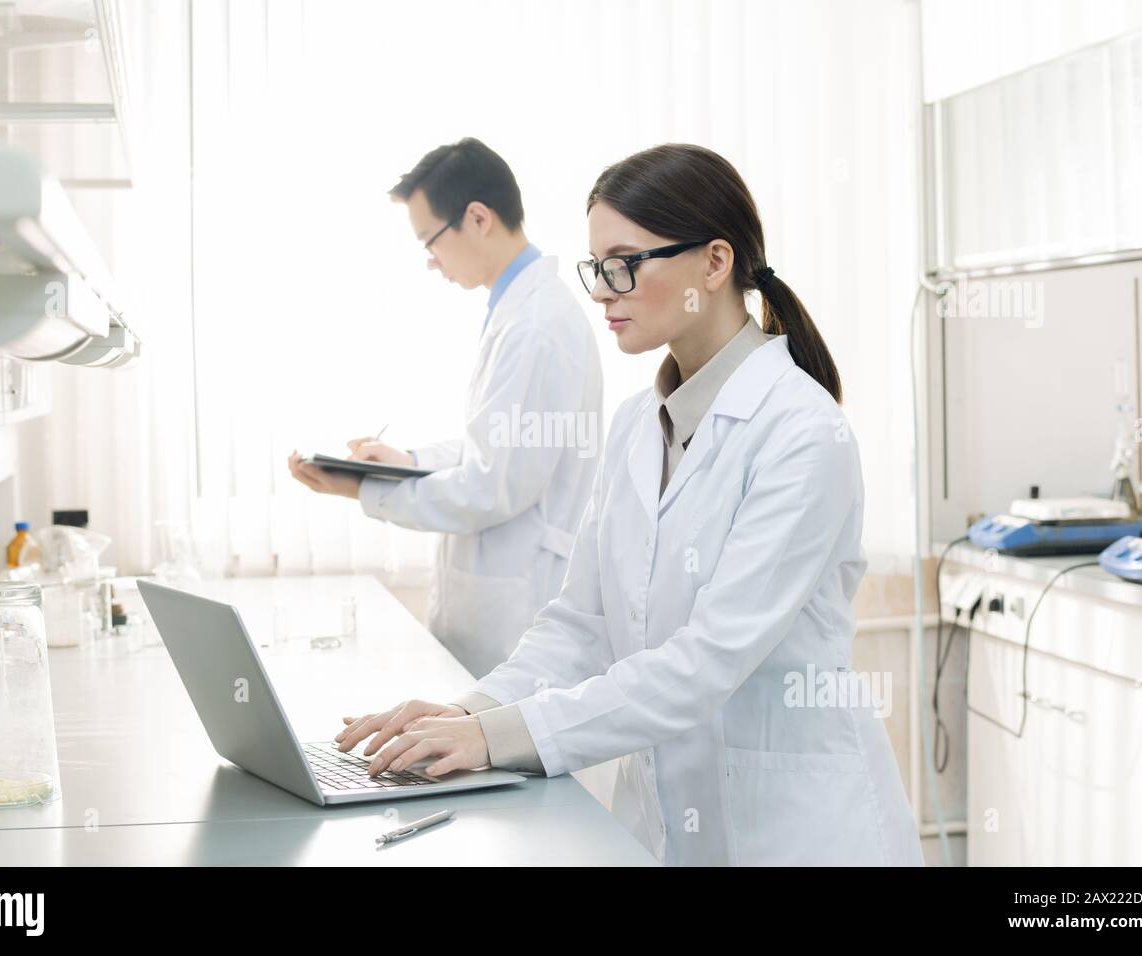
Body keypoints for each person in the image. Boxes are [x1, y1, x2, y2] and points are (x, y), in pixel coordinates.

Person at [332, 143, 924, 866]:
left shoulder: (803, 434)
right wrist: (469, 713)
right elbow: (581, 625)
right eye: (595, 267)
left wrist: (498, 737)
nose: (603, 291)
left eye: (624, 263)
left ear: (713, 263)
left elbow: (704, 662)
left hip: (795, 830)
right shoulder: (636, 426)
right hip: (665, 825)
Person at [288, 138, 603, 679]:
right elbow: (500, 446)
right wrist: (406, 461)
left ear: (477, 217)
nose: (431, 262)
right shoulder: (520, 312)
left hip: (520, 611)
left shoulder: (535, 327)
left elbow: (492, 486)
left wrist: (367, 488)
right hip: (505, 603)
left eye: (429, 240)